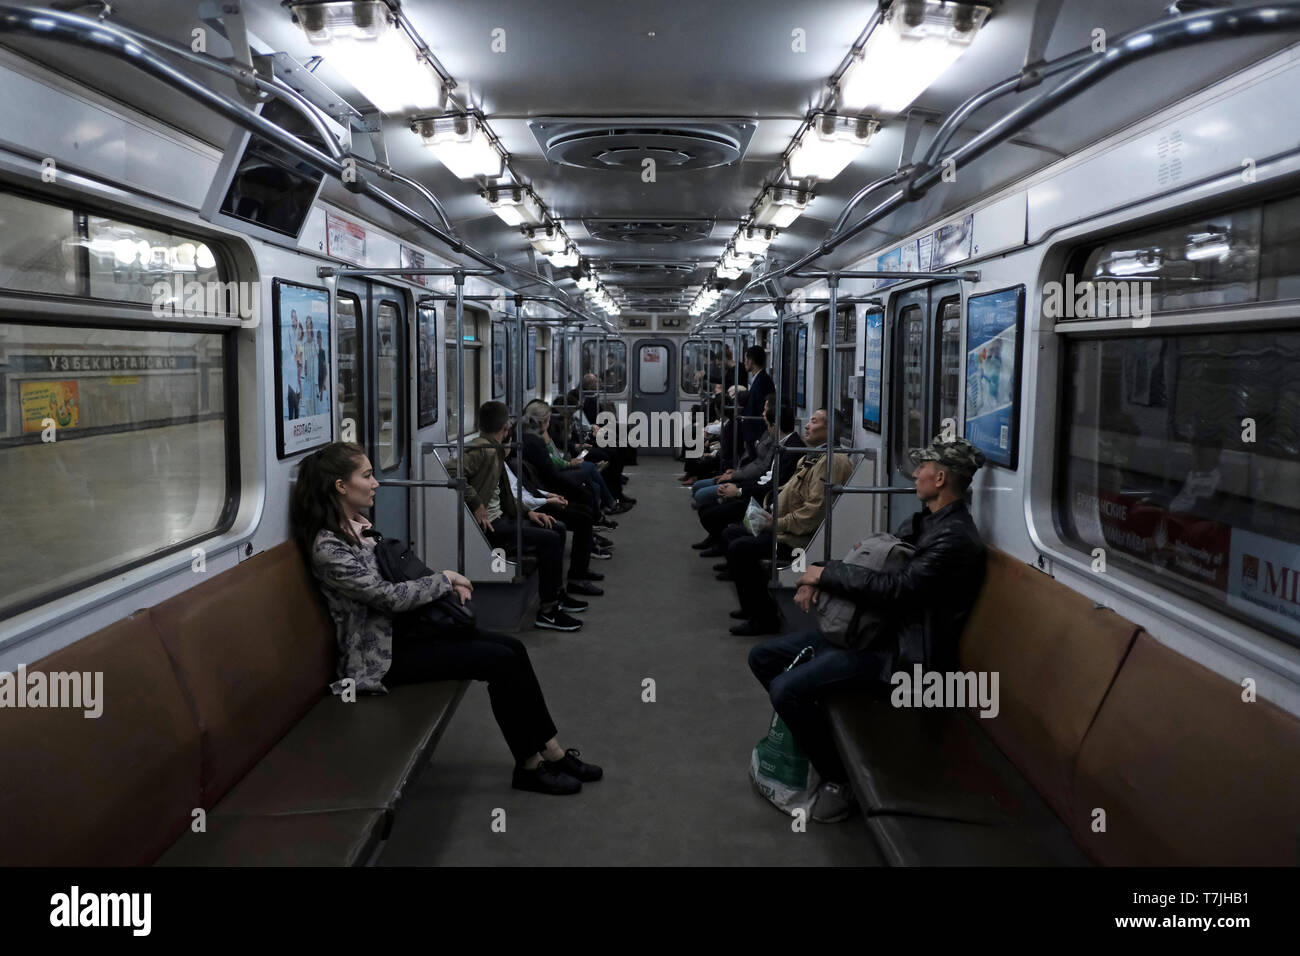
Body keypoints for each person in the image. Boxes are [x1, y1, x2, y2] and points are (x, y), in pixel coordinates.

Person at [292, 441, 602, 795]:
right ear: (341, 487)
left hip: (407, 635)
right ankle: (529, 766)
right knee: (497, 661)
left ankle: (553, 751)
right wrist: (444, 580)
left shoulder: (359, 527)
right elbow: (386, 597)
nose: (376, 482)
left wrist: (439, 580)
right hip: (381, 658)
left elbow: (397, 580)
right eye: (366, 476)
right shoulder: (329, 548)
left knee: (512, 649)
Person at [747, 435, 987, 822]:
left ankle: (839, 779)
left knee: (785, 689)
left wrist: (824, 575)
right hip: (875, 633)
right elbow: (877, 568)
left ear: (940, 478)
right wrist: (818, 576)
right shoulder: (927, 522)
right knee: (763, 657)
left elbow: (896, 590)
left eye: (923, 467)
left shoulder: (954, 540)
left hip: (899, 657)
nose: (917, 473)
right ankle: (820, 742)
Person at [448, 401, 587, 632]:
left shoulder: (494, 449)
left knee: (557, 528)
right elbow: (452, 472)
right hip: (491, 526)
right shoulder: (481, 449)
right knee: (551, 540)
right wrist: (476, 503)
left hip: (502, 518)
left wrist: (529, 513)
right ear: (505, 428)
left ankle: (556, 597)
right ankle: (548, 612)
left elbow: (505, 496)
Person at [724, 409, 852, 636]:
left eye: (813, 421)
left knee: (740, 549)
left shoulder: (832, 462)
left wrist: (776, 523)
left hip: (798, 540)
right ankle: (753, 606)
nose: (807, 426)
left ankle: (764, 619)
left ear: (829, 429)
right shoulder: (811, 456)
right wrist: (767, 509)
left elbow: (814, 513)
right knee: (733, 534)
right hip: (782, 526)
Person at [734, 346, 775, 458]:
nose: (745, 362)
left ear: (750, 360)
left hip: (757, 433)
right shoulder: (759, 379)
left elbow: (760, 410)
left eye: (745, 359)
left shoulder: (762, 382)